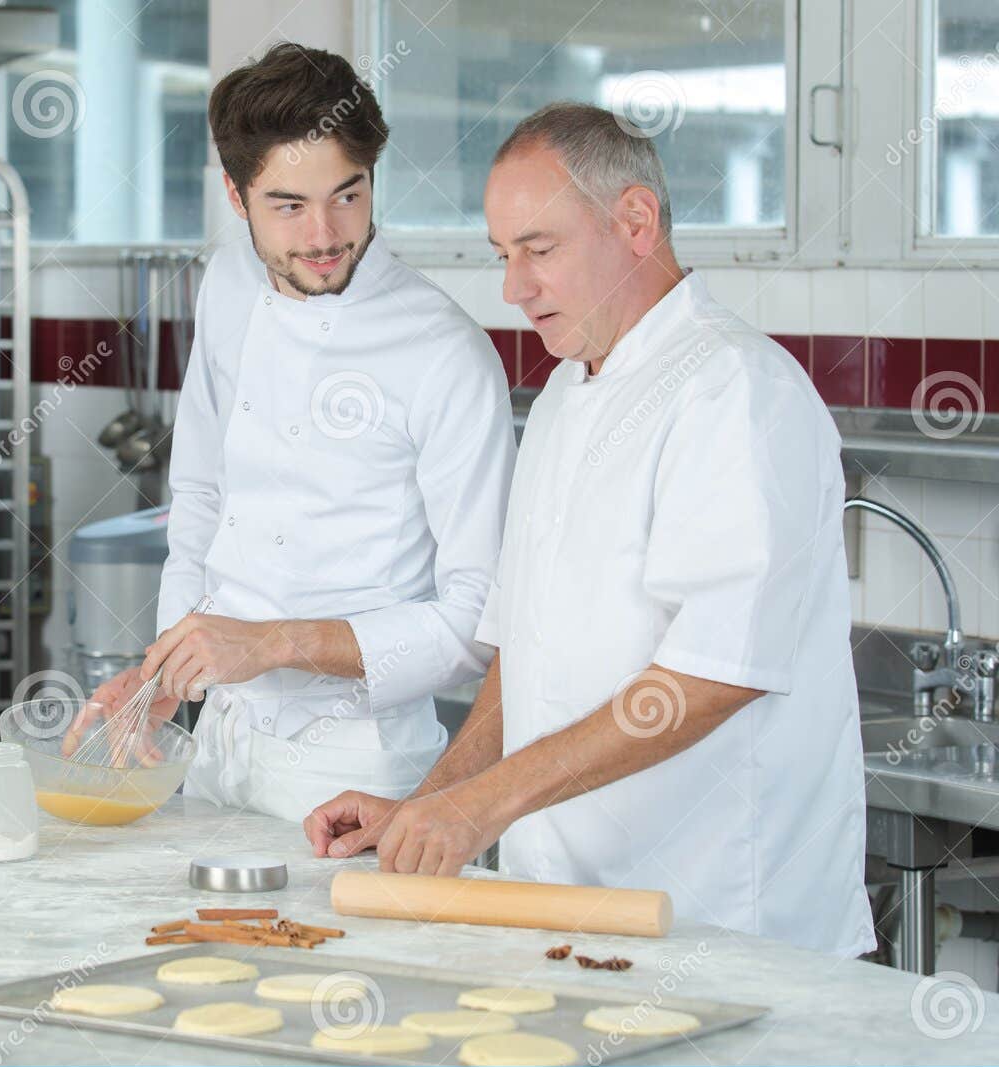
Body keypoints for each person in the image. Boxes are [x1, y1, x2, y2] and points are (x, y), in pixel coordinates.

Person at [305, 102, 874, 957]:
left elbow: (714, 674)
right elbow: (523, 652)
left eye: (539, 249)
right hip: (563, 914)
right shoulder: (566, 395)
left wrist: (489, 802)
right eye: (503, 254)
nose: (513, 288)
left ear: (635, 221)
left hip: (720, 921)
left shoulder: (736, 391)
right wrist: (430, 803)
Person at [78, 44, 515, 821]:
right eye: (287, 205)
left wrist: (272, 644)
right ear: (235, 194)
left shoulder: (444, 351)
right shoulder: (228, 282)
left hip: (357, 764)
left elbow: (478, 622)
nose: (323, 234)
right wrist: (165, 672)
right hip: (219, 743)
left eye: (348, 195)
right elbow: (201, 493)